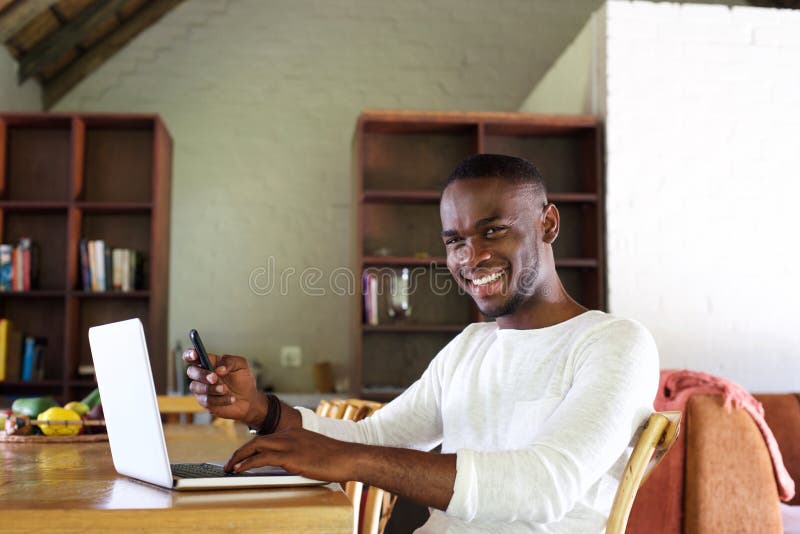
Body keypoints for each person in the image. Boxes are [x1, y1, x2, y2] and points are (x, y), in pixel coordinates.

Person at [184, 154, 659, 533]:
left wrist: (351, 461)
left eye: (493, 230)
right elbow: (375, 437)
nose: (471, 257)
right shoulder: (473, 345)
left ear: (548, 224)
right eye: (455, 240)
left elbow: (544, 485)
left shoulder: (614, 344)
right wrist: (259, 410)